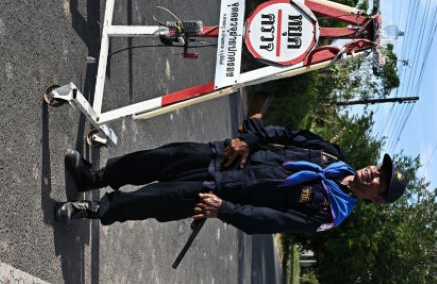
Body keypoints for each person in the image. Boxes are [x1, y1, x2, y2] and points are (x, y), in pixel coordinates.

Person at [55, 118, 408, 235]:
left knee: (154, 199)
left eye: (382, 179)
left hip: (222, 192)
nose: (375, 171)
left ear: (377, 199)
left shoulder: (328, 214)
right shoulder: (333, 155)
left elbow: (271, 220)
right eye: (381, 168)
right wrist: (249, 140)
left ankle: (95, 210)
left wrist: (224, 210)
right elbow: (283, 132)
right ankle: (93, 177)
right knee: (156, 159)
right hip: (223, 156)